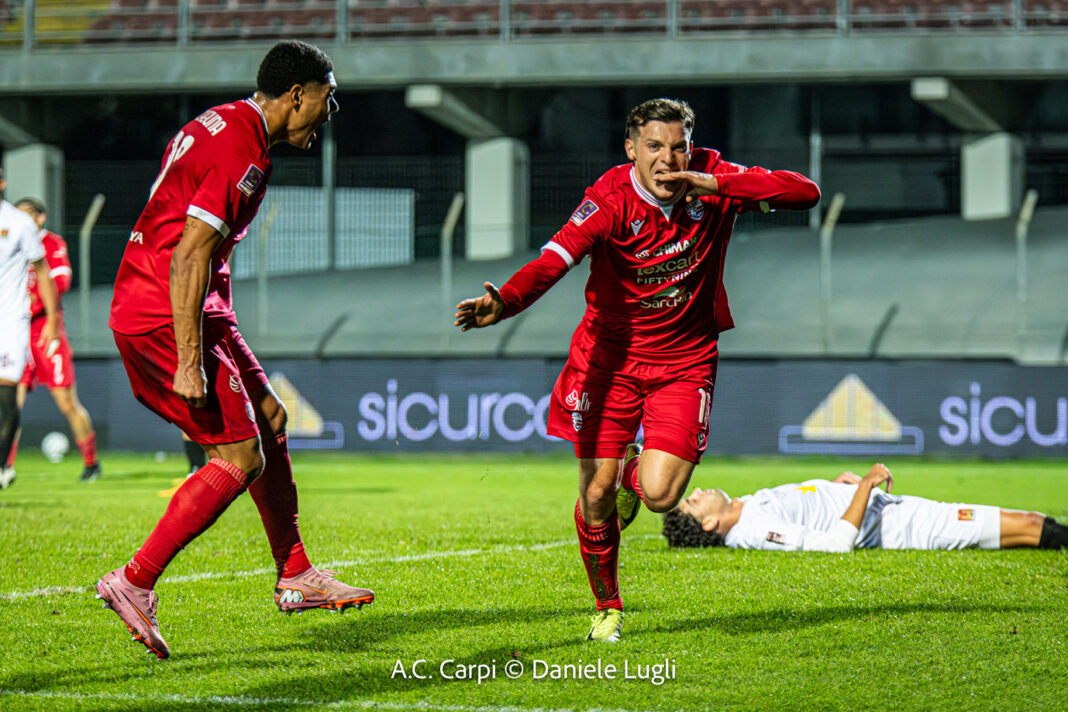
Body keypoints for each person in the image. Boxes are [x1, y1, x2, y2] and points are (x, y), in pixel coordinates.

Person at [454, 98, 820, 642]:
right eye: (654, 147)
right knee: (596, 494)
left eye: (678, 147)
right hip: (610, 361)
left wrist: (714, 185)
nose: (667, 159)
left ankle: (632, 474)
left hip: (685, 360)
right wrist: (505, 301)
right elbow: (554, 261)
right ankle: (608, 605)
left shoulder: (713, 179)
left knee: (662, 495)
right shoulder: (608, 200)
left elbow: (803, 192)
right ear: (631, 150)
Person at [97, 40, 373, 661]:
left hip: (195, 307)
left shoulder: (222, 122)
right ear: (298, 93)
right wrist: (190, 360)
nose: (331, 114)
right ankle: (134, 580)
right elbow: (190, 251)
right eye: (327, 100)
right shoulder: (239, 148)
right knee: (239, 457)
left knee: (272, 417)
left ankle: (296, 574)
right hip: (165, 314)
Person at [662, 463, 1068, 552]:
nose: (696, 491)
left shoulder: (748, 507)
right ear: (711, 523)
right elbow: (833, 545)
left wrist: (834, 487)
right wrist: (867, 486)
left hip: (894, 510)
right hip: (905, 526)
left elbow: (809, 507)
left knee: (1029, 523)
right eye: (694, 504)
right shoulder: (754, 530)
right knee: (1030, 524)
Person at [6, 197, 102, 482]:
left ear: (40, 217)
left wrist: (40, 309)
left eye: (26, 215)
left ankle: (91, 462)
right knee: (11, 400)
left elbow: (60, 281)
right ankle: (5, 465)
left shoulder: (52, 243)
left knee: (66, 402)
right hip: (15, 331)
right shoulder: (11, 243)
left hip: (46, 330)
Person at [0, 169, 59, 490]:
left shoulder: (20, 223)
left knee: (8, 397)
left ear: (2, 183)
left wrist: (51, 320)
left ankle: (1, 466)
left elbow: (42, 269)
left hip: (10, 322)